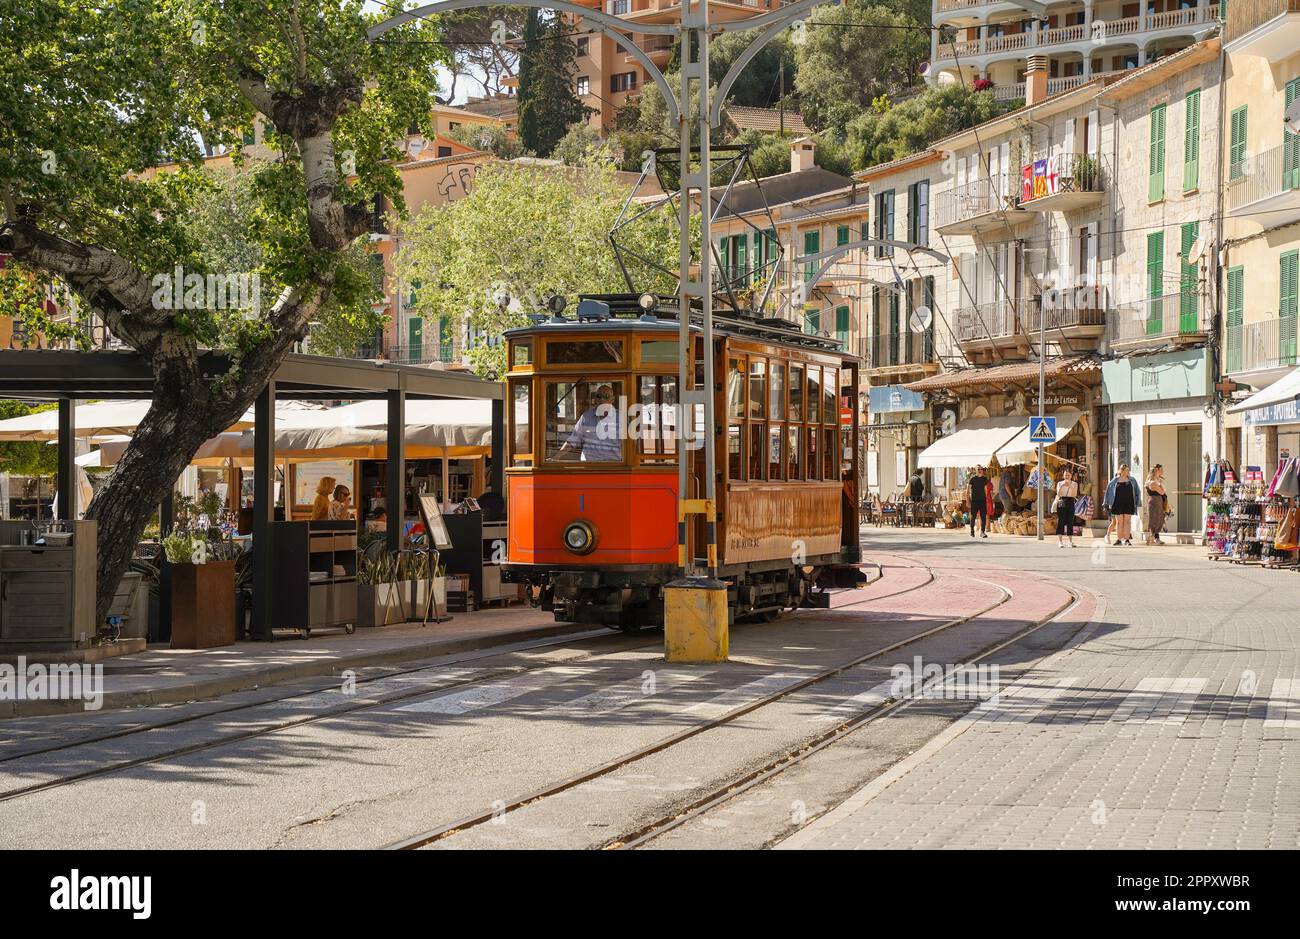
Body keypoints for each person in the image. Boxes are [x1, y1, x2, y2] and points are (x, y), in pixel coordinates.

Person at [559, 384, 621, 462]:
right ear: (595, 399)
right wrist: (556, 457)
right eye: (599, 396)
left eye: (606, 396)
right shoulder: (586, 417)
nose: (602, 399)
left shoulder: (621, 419)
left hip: (613, 468)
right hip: (588, 467)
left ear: (613, 399)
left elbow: (630, 445)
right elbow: (572, 440)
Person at [1105, 463, 1142, 545]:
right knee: (1119, 522)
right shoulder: (1115, 480)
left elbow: (1137, 491)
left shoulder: (1132, 480)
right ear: (1121, 471)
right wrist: (1108, 502)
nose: (1128, 471)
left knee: (1127, 522)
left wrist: (1137, 502)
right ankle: (1119, 539)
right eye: (1126, 470)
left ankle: (1126, 540)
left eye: (1128, 470)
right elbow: (1109, 491)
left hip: (1129, 502)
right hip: (1117, 503)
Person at [1055, 467, 1080, 548]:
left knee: (1070, 521)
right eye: (1065, 475)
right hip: (1061, 502)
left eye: (1068, 475)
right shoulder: (1059, 483)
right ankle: (1060, 541)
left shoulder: (1075, 484)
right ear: (1063, 475)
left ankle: (1070, 541)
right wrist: (1062, 485)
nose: (1067, 477)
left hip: (1070, 502)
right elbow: (1058, 494)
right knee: (1061, 521)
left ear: (1071, 476)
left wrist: (1070, 486)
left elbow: (1074, 495)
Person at [1145, 464, 1168, 545]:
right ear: (1155, 472)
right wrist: (1161, 484)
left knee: (1158, 519)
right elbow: (1162, 492)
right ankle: (1152, 538)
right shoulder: (1152, 482)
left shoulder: (1155, 481)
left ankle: (1155, 538)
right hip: (1155, 501)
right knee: (1154, 519)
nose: (1162, 472)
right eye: (1160, 470)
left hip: (1157, 501)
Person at [968, 465, 992, 538]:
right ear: (975, 470)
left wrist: (985, 499)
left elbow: (985, 490)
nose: (980, 470)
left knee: (983, 516)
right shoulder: (972, 479)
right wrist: (968, 501)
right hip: (974, 501)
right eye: (978, 469)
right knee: (973, 516)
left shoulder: (984, 479)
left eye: (981, 469)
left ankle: (982, 532)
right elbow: (968, 490)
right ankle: (972, 530)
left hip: (982, 500)